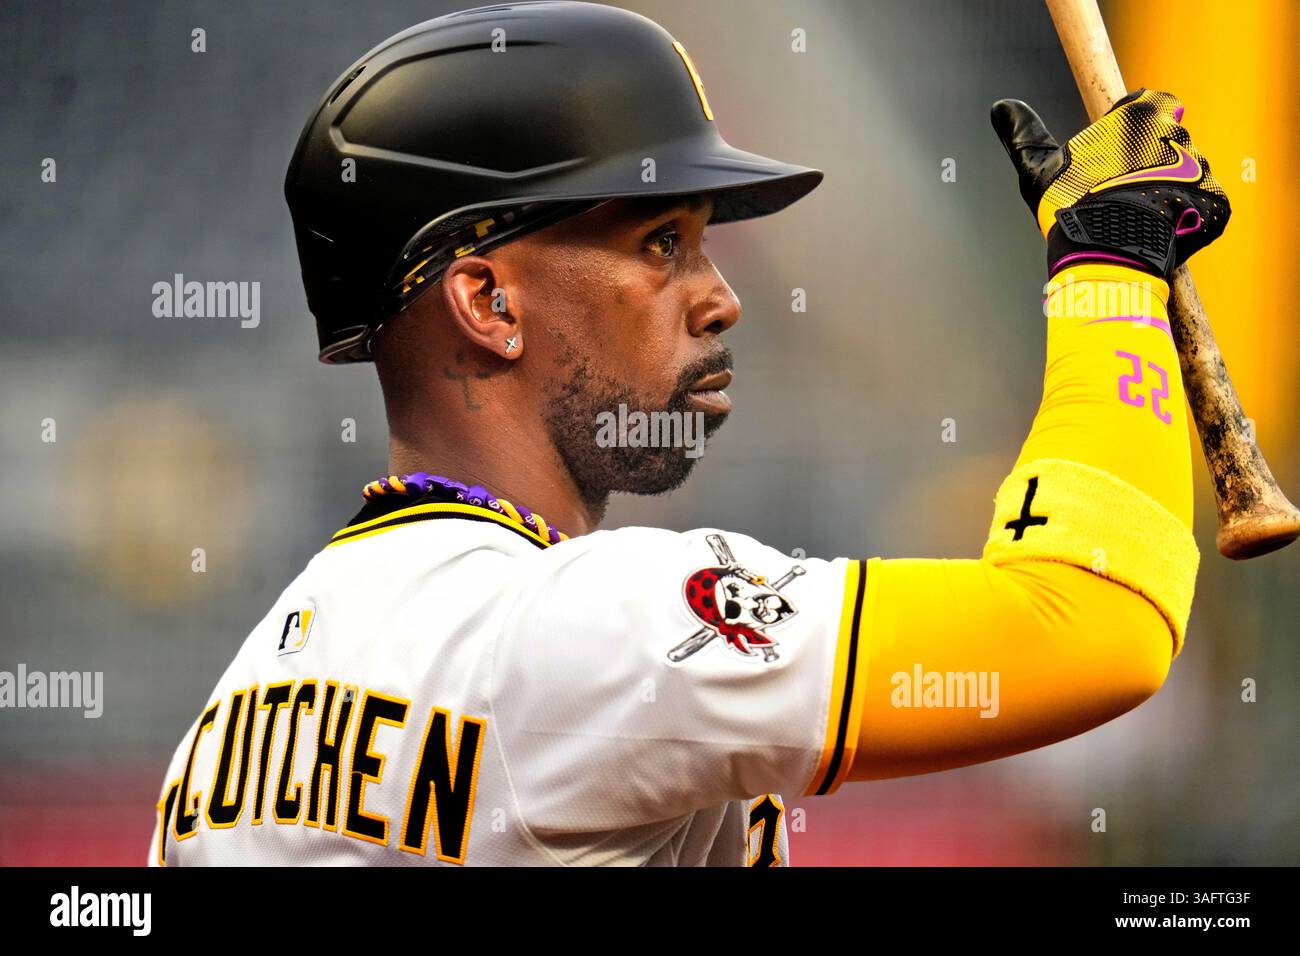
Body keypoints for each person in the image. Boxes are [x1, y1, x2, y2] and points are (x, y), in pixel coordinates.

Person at [150, 1, 1228, 866]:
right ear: (487, 302)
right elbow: (1090, 622)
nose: (721, 299)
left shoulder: (222, 730)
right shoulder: (589, 626)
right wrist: (1107, 273)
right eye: (662, 243)